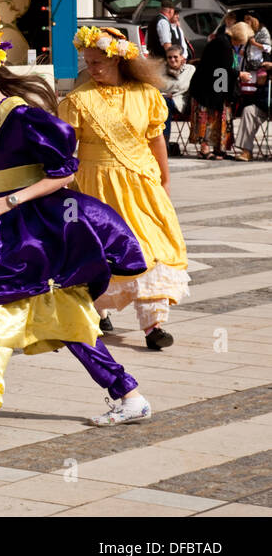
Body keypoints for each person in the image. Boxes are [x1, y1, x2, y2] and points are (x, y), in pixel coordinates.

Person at [0, 27, 152, 437]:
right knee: (70, 319)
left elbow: (64, 172)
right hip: (3, 220)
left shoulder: (21, 115)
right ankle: (129, 396)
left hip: (30, 227)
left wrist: (11, 201)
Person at [62, 26, 189, 350]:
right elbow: (64, 149)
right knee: (102, 251)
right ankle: (99, 309)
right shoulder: (79, 99)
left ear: (117, 60)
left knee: (153, 249)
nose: (91, 69)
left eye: (97, 63)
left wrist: (165, 178)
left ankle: (153, 324)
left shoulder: (145, 95)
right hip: (96, 186)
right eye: (88, 63)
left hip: (141, 184)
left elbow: (156, 138)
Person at [189, 23, 243, 158]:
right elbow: (223, 68)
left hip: (215, 85)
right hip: (207, 87)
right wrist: (239, 75)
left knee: (219, 115)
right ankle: (205, 149)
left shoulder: (222, 41)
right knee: (209, 117)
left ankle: (219, 149)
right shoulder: (223, 44)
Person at [231, 23, 272, 162]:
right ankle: (246, 151)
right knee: (249, 110)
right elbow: (260, 85)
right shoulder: (265, 54)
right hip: (265, 102)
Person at [158, 46, 194, 157]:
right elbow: (158, 87)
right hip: (162, 100)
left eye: (175, 57)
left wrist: (169, 92)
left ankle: (164, 144)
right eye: (169, 58)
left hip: (181, 102)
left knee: (164, 104)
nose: (172, 60)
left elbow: (183, 86)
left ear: (182, 58)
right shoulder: (162, 70)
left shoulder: (190, 69)